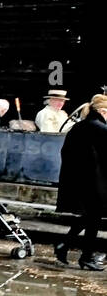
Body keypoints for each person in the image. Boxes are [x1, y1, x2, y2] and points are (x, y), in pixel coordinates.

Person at [55, 93, 107, 270]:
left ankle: (64, 245)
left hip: (81, 180)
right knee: (93, 218)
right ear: (103, 111)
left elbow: (66, 152)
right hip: (95, 181)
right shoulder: (100, 128)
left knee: (90, 217)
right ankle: (86, 257)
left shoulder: (81, 126)